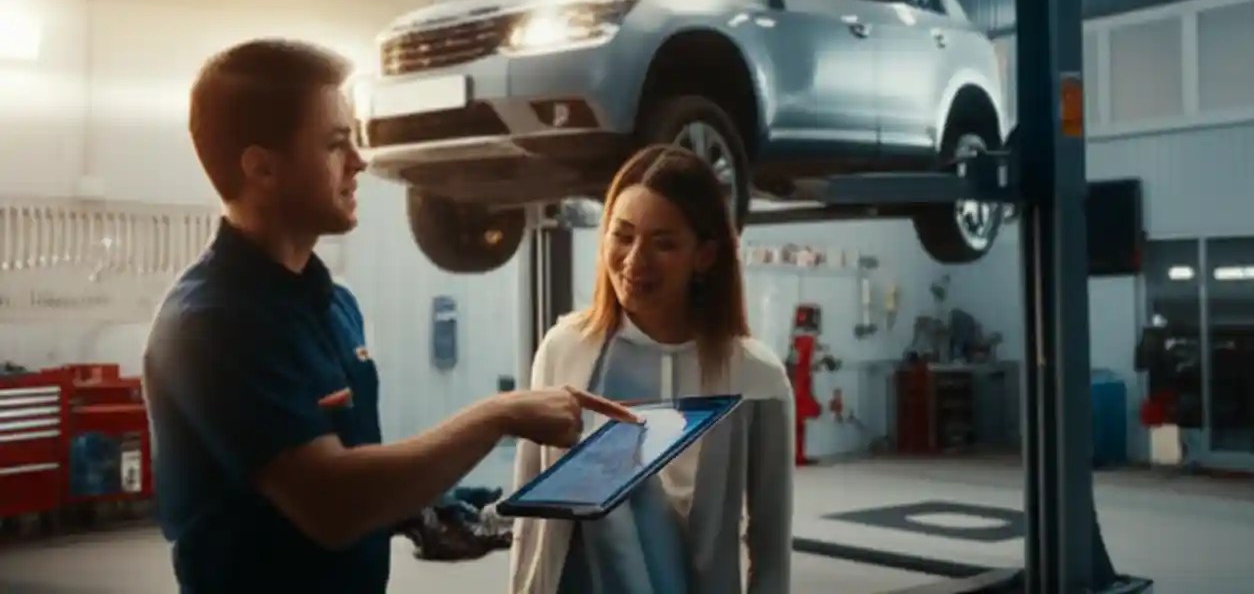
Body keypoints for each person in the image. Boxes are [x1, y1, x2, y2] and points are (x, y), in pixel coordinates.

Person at [141, 38, 638, 594]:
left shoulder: (335, 306)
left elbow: (358, 473)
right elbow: (332, 503)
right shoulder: (211, 324)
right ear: (262, 168)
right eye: (335, 145)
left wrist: (450, 509)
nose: (359, 162)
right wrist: (498, 415)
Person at [509, 145, 796, 594]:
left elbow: (771, 550)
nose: (634, 260)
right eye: (622, 236)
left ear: (705, 255)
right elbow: (531, 524)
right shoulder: (563, 349)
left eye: (663, 243)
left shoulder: (757, 378)